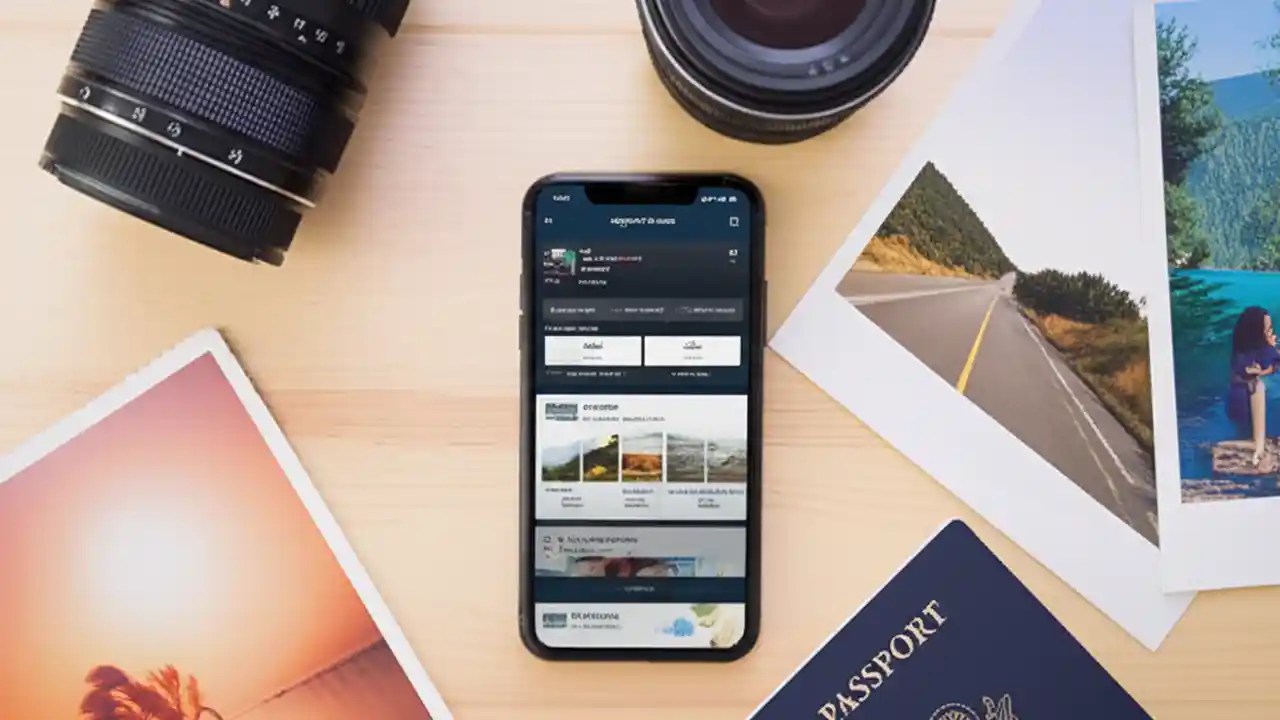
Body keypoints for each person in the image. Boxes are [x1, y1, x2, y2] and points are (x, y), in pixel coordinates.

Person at [1227, 306, 1280, 466]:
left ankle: (1258, 444)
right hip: (1249, 404)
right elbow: (1253, 374)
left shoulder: (1246, 356)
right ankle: (1258, 447)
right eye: (1268, 331)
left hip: (1242, 407)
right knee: (1258, 387)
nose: (1273, 335)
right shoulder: (1255, 360)